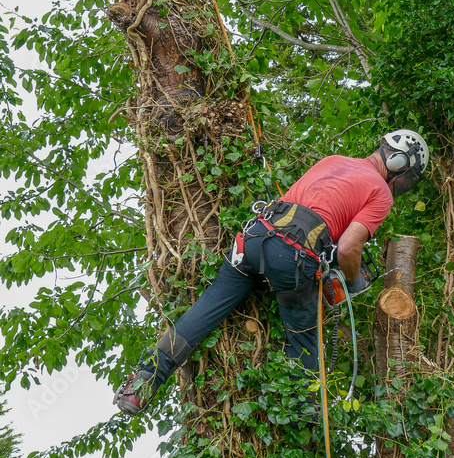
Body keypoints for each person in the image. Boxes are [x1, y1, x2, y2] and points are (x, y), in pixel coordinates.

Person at [113, 129, 430, 416]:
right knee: (306, 342)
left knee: (203, 313)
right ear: (401, 162)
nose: (403, 184)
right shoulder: (381, 193)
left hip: (253, 240)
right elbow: (348, 250)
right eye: (408, 178)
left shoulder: (335, 160)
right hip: (291, 257)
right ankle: (304, 414)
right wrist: (351, 277)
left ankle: (143, 383)